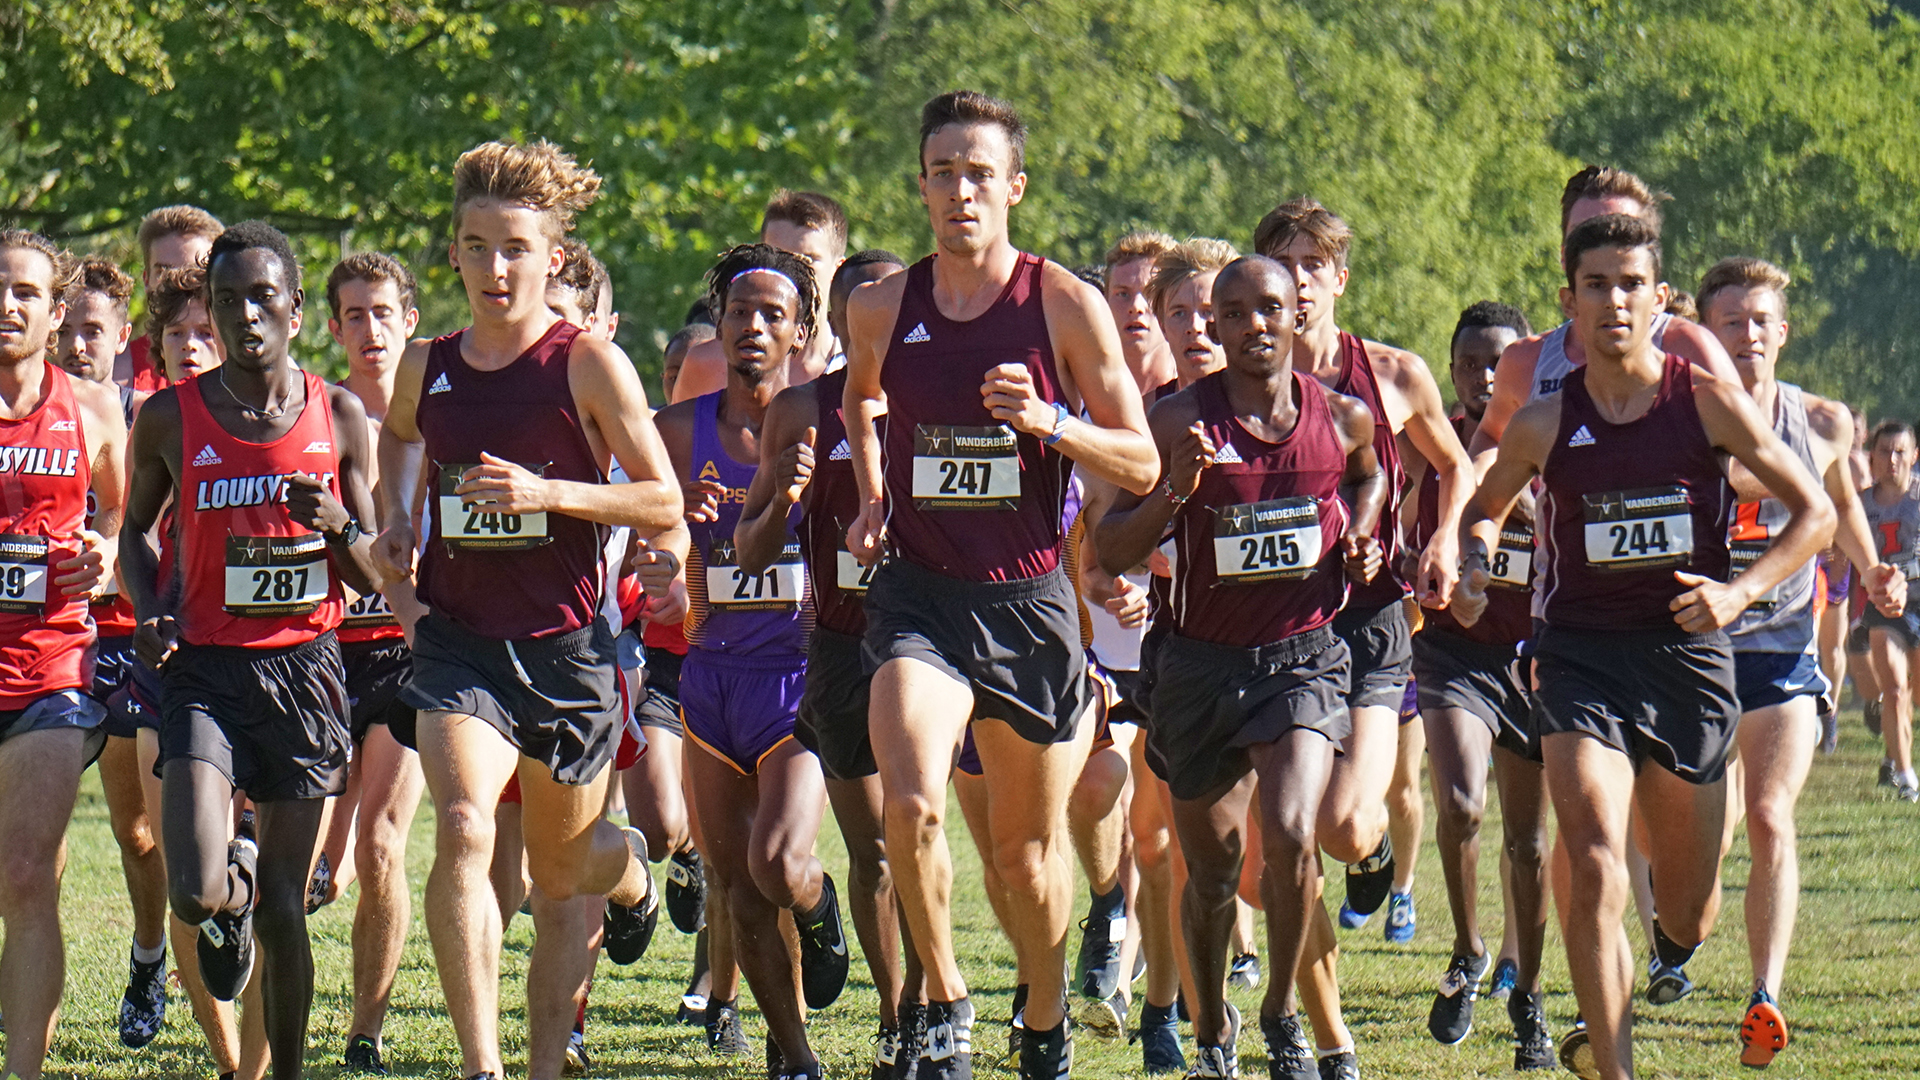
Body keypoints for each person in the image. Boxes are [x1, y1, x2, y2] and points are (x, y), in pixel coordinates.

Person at [1452, 213, 1833, 1080]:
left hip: (1688, 662)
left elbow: (1815, 516)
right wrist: (1475, 562)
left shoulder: (1703, 401)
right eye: (1597, 285)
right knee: (1590, 858)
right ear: (1569, 302)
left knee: (1688, 913)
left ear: (1659, 300)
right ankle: (1614, 1067)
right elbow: (1486, 509)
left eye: (1631, 285)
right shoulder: (1545, 422)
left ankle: (1668, 942)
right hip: (1582, 656)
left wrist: (1738, 592)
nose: (1615, 301)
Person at [842, 89, 1158, 1079]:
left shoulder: (1063, 303)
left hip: (1027, 606)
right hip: (919, 600)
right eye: (943, 173)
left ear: (1013, 187)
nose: (960, 191)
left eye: (979, 173)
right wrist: (871, 495)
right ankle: (942, 1000)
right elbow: (860, 402)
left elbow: (1143, 463)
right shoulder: (882, 305)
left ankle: (1048, 1006)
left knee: (1024, 860)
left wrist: (1053, 426)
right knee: (911, 805)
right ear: (923, 186)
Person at [371, 139, 675, 1080]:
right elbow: (394, 438)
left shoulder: (586, 365)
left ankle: (624, 876)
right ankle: (484, 1069)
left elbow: (660, 499)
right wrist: (394, 522)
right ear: (453, 253)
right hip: (462, 643)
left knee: (560, 876)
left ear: (551, 256)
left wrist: (554, 497)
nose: (494, 269)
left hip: (569, 654)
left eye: (514, 248)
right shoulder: (429, 366)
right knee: (463, 823)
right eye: (474, 247)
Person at [1097, 254, 1384, 1080]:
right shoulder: (1177, 420)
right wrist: (1174, 492)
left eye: (1271, 309)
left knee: (1293, 838)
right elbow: (1111, 548)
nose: (1255, 325)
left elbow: (1368, 483)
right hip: (1196, 668)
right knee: (1214, 870)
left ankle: (1282, 1012)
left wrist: (1363, 537)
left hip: (1303, 659)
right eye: (1235, 313)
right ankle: (1213, 1029)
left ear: (1299, 314)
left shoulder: (1344, 417)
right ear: (1214, 327)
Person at [122, 221, 386, 1080]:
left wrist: (339, 525)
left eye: (261, 297)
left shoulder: (338, 414)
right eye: (225, 300)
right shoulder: (170, 416)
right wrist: (151, 606)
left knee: (285, 910)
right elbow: (134, 534)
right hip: (204, 671)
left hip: (305, 671)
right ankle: (224, 894)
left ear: (297, 310)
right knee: (197, 889)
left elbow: (370, 564)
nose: (243, 316)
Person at [1253, 197, 1470, 1076]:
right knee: (1292, 836)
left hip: (1372, 618)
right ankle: (1319, 1028)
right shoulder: (1242, 388)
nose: (1299, 284)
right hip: (1274, 628)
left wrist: (1447, 538)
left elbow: (1453, 465)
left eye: (1315, 267)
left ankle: (1374, 849)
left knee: (1343, 823)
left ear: (1340, 279)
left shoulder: (1392, 375)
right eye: (1284, 266)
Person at [1696, 255, 1902, 1067]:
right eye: (1730, 322)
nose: (1747, 334)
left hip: (1781, 648)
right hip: (1696, 651)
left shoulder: (1823, 422)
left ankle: (1764, 997)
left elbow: (1844, 506)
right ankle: (1678, 941)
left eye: (1760, 321)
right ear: (1705, 334)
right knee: (1702, 855)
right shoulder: (1682, 417)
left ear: (1783, 332)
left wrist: (1872, 565)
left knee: (1773, 813)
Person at [659, 242, 854, 1080]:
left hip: (797, 677)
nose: (753, 327)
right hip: (709, 675)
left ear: (802, 331)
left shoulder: (829, 428)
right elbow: (646, 545)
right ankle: (795, 1056)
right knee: (734, 888)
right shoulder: (677, 430)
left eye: (774, 315)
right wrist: (664, 548)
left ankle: (819, 906)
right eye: (741, 312)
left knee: (779, 865)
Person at [740, 245, 923, 1077]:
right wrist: (784, 491)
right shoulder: (800, 409)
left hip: (934, 636)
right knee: (874, 850)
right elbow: (748, 551)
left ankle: (926, 1011)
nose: (868, 324)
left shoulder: (933, 396)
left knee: (918, 833)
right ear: (836, 321)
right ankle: (896, 1017)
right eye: (853, 307)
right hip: (843, 647)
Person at [1405, 301, 1554, 1067]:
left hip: (1536, 660)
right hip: (1456, 658)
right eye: (1467, 363)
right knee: (1461, 804)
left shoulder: (1554, 440)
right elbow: (1402, 541)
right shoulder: (1436, 451)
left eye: (1498, 364)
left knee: (1528, 844)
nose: (1482, 377)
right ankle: (1467, 949)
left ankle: (1528, 994)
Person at [0, 229, 128, 1080]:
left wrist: (108, 553)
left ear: (55, 311)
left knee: (25, 872)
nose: (7, 306)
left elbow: (118, 514)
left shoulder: (91, 407)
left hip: (51, 663)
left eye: (25, 294)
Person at [51, 255, 174, 1050]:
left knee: (135, 833)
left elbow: (149, 529)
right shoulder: (27, 407)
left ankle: (149, 953)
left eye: (93, 330)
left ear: (125, 338)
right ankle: (27, 981)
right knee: (37, 833)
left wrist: (110, 551)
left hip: (126, 636)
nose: (76, 344)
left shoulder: (151, 414)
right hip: (46, 639)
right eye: (67, 330)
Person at [321, 251, 431, 1074]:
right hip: (319, 657)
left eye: (383, 312)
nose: (370, 328)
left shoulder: (444, 419)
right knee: (303, 863)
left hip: (409, 653)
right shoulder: (309, 417)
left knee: (381, 845)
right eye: (354, 314)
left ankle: (366, 1031)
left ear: (409, 321)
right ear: (332, 327)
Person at [1470, 165, 1741, 455]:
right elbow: (1490, 438)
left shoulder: (1690, 349)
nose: (1603, 249)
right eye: (1585, 236)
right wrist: (1483, 488)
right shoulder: (1526, 362)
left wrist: (1678, 488)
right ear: (1564, 255)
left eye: (1621, 233)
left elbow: (1757, 457)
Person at [673, 190, 849, 400]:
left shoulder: (860, 370)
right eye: (779, 257)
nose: (791, 273)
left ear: (838, 269)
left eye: (807, 260)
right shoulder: (707, 365)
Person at [1859, 420, 1920, 800]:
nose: (1892, 459)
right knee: (1895, 689)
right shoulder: (1860, 505)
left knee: (1914, 693)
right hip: (1885, 607)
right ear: (1872, 457)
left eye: (1900, 451)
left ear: (1915, 457)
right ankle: (1905, 775)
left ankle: (1895, 756)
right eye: (1885, 451)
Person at [121, 205, 225, 391]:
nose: (177, 283)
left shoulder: (260, 376)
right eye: (165, 272)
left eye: (194, 272)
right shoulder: (117, 378)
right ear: (146, 280)